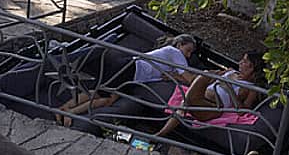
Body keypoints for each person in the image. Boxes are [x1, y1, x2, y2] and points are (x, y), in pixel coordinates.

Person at [56, 34, 198, 127]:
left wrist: (176, 76)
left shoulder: (170, 57)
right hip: (130, 69)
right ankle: (68, 113)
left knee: (102, 95)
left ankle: (64, 109)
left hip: (131, 72)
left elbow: (179, 77)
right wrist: (206, 77)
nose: (188, 55)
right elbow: (190, 79)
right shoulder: (175, 53)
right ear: (179, 45)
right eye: (188, 50)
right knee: (105, 98)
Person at [155, 51, 266, 139]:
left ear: (252, 68)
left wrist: (230, 90)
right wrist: (177, 77)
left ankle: (160, 134)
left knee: (186, 103)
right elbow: (201, 79)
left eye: (245, 61)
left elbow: (243, 112)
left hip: (213, 108)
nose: (240, 63)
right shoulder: (232, 72)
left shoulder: (251, 88)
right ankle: (160, 135)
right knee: (205, 75)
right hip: (201, 95)